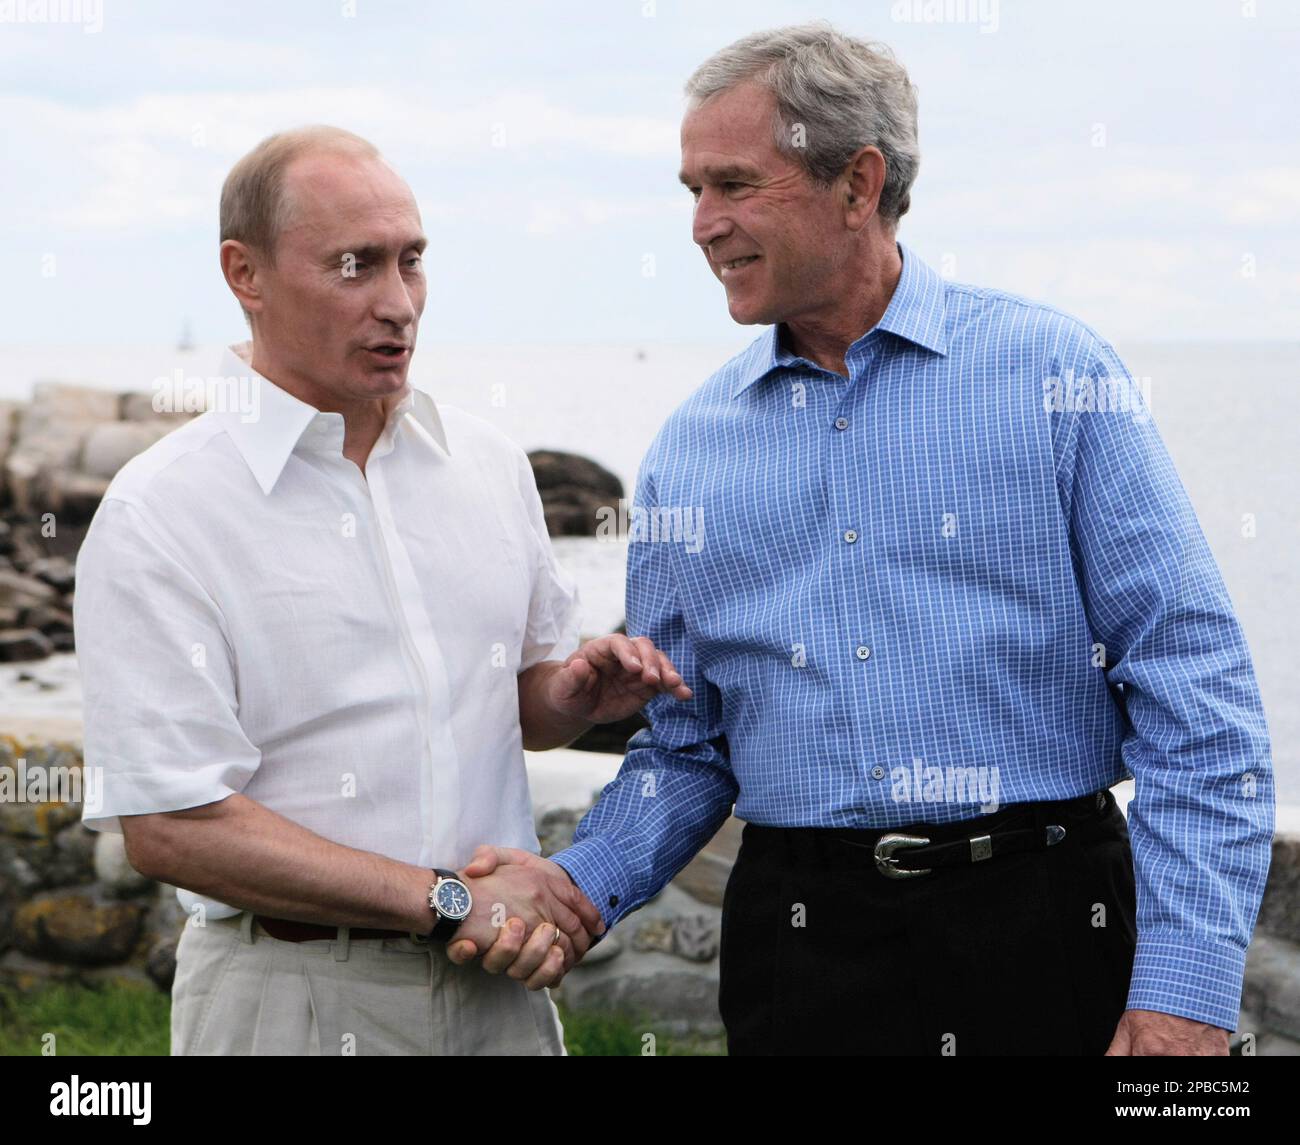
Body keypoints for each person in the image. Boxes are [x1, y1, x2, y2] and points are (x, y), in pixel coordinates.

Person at [454, 24, 1275, 1057]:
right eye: (692, 189)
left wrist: (1186, 997)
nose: (703, 225)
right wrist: (575, 883)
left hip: (1053, 930)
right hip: (800, 954)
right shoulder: (688, 451)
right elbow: (686, 745)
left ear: (858, 181)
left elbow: (1199, 705)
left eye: (734, 184)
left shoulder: (1054, 375)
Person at [74, 125, 689, 1056]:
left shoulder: (486, 465)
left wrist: (569, 695)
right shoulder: (163, 510)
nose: (398, 304)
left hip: (499, 996)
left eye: (411, 262)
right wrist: (452, 900)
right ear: (245, 275)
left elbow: (515, 702)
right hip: (293, 1003)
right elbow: (170, 825)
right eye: (354, 267)